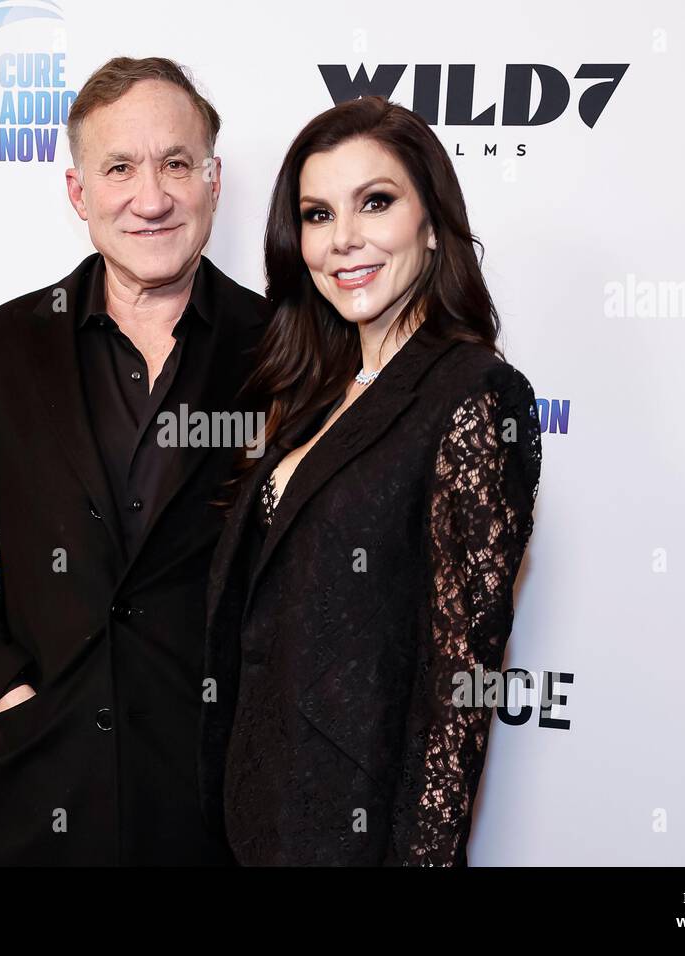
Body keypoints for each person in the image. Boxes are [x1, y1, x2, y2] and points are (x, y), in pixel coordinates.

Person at [0, 56, 269, 865]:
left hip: (218, 810)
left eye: (176, 163)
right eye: (120, 168)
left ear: (213, 179)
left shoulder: (285, 352)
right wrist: (8, 694)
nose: (151, 197)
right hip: (38, 794)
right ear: (78, 193)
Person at [198, 95, 542, 866]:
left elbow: (464, 684)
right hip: (253, 816)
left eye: (375, 203)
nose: (343, 240)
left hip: (358, 836)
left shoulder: (475, 395)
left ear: (430, 221)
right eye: (317, 215)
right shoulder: (311, 387)